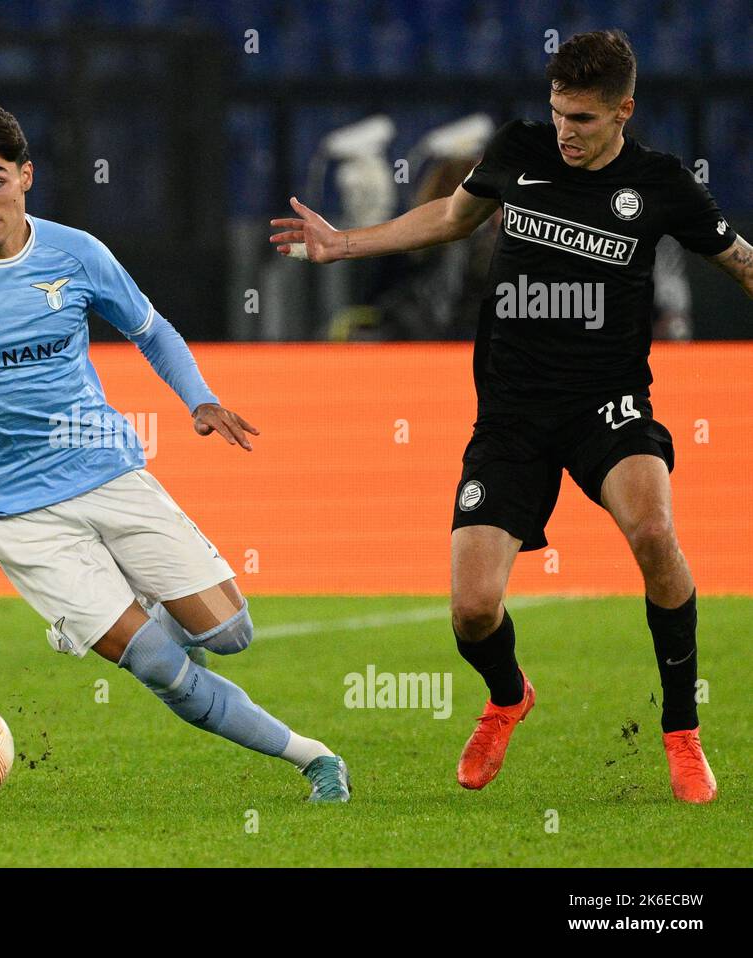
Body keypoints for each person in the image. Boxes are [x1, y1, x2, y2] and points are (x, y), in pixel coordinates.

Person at [270, 30, 752, 804]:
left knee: (656, 535)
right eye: (559, 112)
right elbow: (450, 219)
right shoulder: (519, 150)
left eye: (585, 119)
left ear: (624, 110)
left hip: (610, 406)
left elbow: (741, 262)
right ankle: (507, 697)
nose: (566, 130)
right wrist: (345, 244)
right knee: (471, 609)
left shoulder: (660, 184)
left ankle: (682, 734)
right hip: (512, 413)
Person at [0, 100, 350, 802]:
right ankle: (315, 759)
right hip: (12, 508)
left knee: (231, 633)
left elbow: (150, 327)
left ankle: (123, 602)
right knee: (161, 667)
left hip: (105, 467)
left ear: (26, 176)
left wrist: (198, 399)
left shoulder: (76, 253)